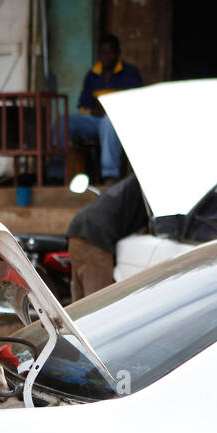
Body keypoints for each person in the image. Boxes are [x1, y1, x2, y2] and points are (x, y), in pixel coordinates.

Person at [68, 34, 143, 184]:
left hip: (119, 122)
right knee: (65, 121)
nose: (106, 57)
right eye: (102, 53)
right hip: (95, 121)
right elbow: (83, 104)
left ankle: (110, 175)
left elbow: (136, 103)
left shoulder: (130, 73)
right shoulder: (92, 75)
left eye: (109, 53)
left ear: (117, 53)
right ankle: (55, 173)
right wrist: (92, 111)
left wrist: (112, 110)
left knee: (108, 121)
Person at [65, 174, 148, 300]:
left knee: (80, 304)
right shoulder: (151, 184)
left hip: (80, 229)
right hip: (94, 237)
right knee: (98, 304)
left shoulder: (140, 178)